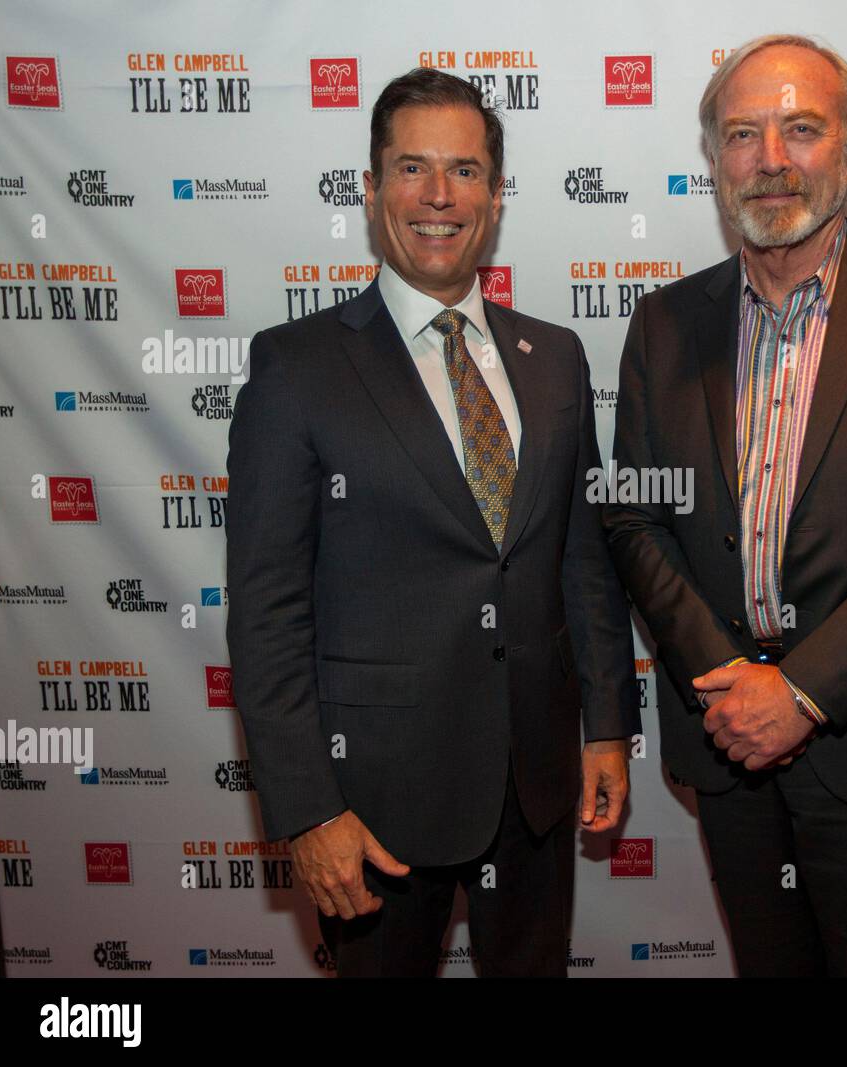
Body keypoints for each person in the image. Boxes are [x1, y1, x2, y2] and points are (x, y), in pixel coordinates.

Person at [603, 34, 847, 977]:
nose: (771, 159)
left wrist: (801, 690)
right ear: (713, 162)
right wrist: (734, 687)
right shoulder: (664, 323)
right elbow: (633, 514)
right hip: (727, 742)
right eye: (742, 134)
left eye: (801, 129)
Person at [226, 68, 638, 977]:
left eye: (464, 170)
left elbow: (585, 563)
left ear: (494, 196)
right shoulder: (296, 370)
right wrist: (306, 808)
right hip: (374, 810)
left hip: (532, 789)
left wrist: (608, 724)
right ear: (371, 189)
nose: (438, 196)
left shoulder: (556, 359)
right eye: (412, 168)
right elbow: (266, 613)